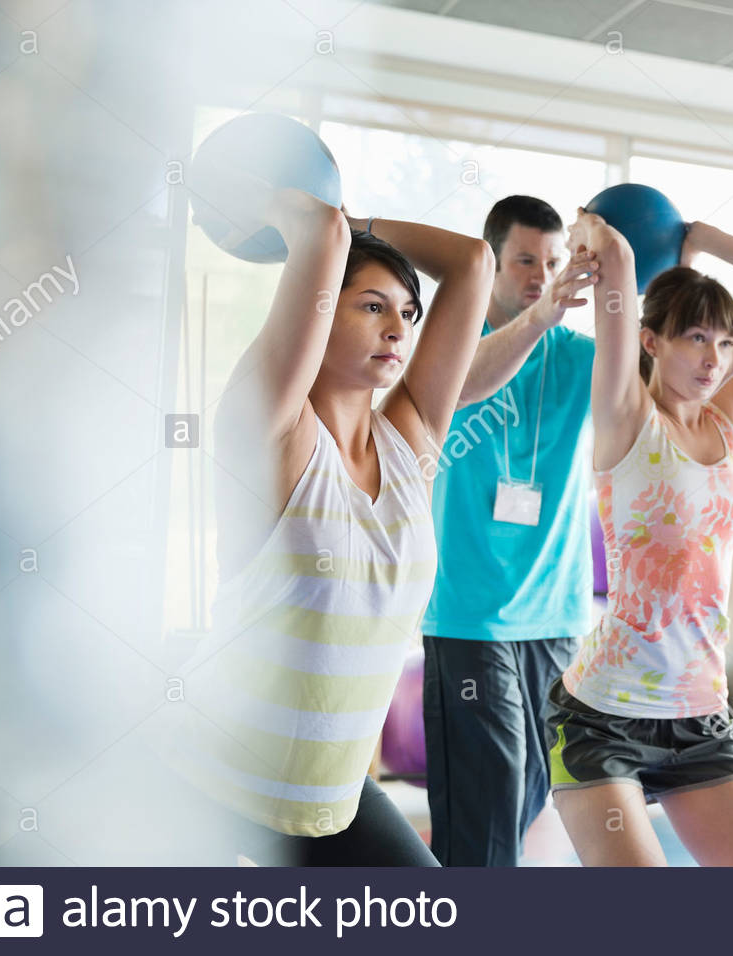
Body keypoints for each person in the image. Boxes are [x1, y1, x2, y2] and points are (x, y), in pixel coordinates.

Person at [171, 180, 494, 866]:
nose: (399, 328)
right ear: (318, 315)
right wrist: (280, 204)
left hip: (332, 801)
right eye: (372, 306)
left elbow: (473, 263)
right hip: (207, 789)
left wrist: (361, 225)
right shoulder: (271, 431)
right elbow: (318, 231)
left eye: (408, 312)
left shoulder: (412, 445)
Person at [543, 209, 733, 866]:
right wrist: (589, 231)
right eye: (696, 338)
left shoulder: (730, 422)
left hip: (701, 717)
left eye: (725, 343)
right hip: (600, 718)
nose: (712, 358)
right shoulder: (625, 415)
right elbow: (612, 247)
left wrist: (706, 240)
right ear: (651, 342)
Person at [420, 195, 599, 867]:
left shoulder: (580, 357)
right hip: (470, 613)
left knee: (528, 794)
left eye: (552, 261)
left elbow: (650, 370)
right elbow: (459, 383)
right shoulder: (455, 339)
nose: (540, 272)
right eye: (525, 259)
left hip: (554, 616)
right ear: (492, 262)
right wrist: (544, 310)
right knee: (486, 800)